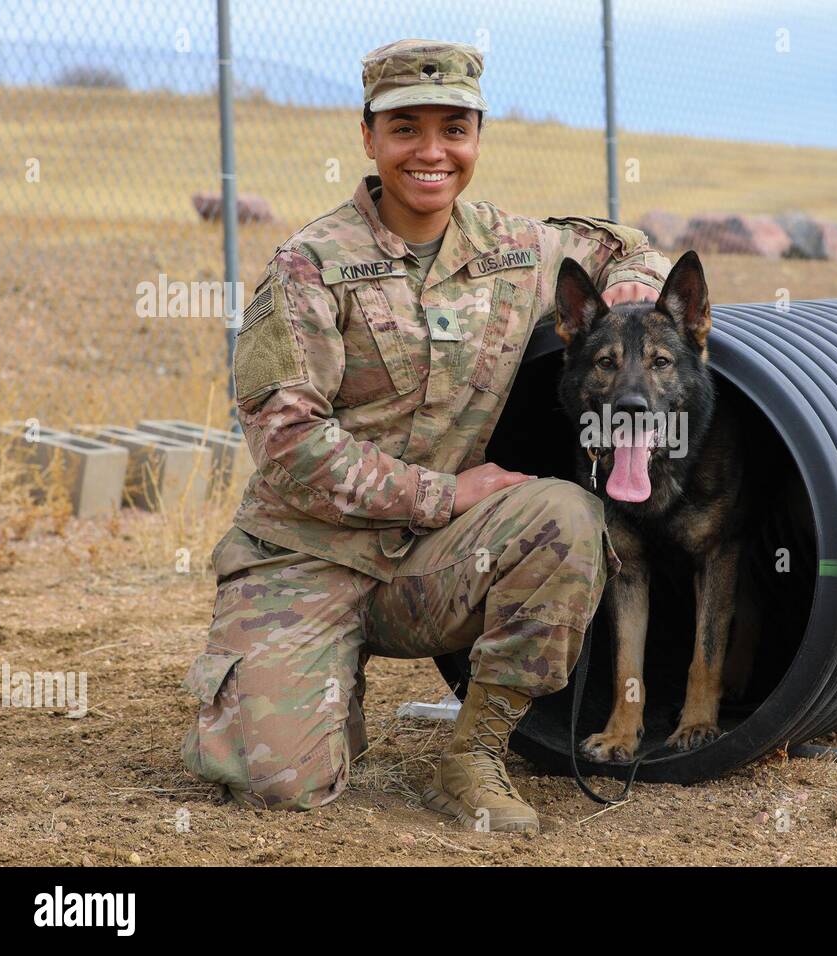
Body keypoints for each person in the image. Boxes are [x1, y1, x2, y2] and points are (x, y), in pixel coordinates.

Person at [180, 38, 670, 834]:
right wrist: (444, 492)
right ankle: (321, 681)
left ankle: (473, 753)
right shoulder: (307, 265)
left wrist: (628, 298)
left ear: (477, 137)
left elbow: (626, 246)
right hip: (305, 553)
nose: (432, 151)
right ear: (369, 137)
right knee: (278, 782)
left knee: (568, 517)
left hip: (433, 561)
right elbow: (289, 444)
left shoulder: (514, 250)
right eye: (406, 128)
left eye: (454, 128)